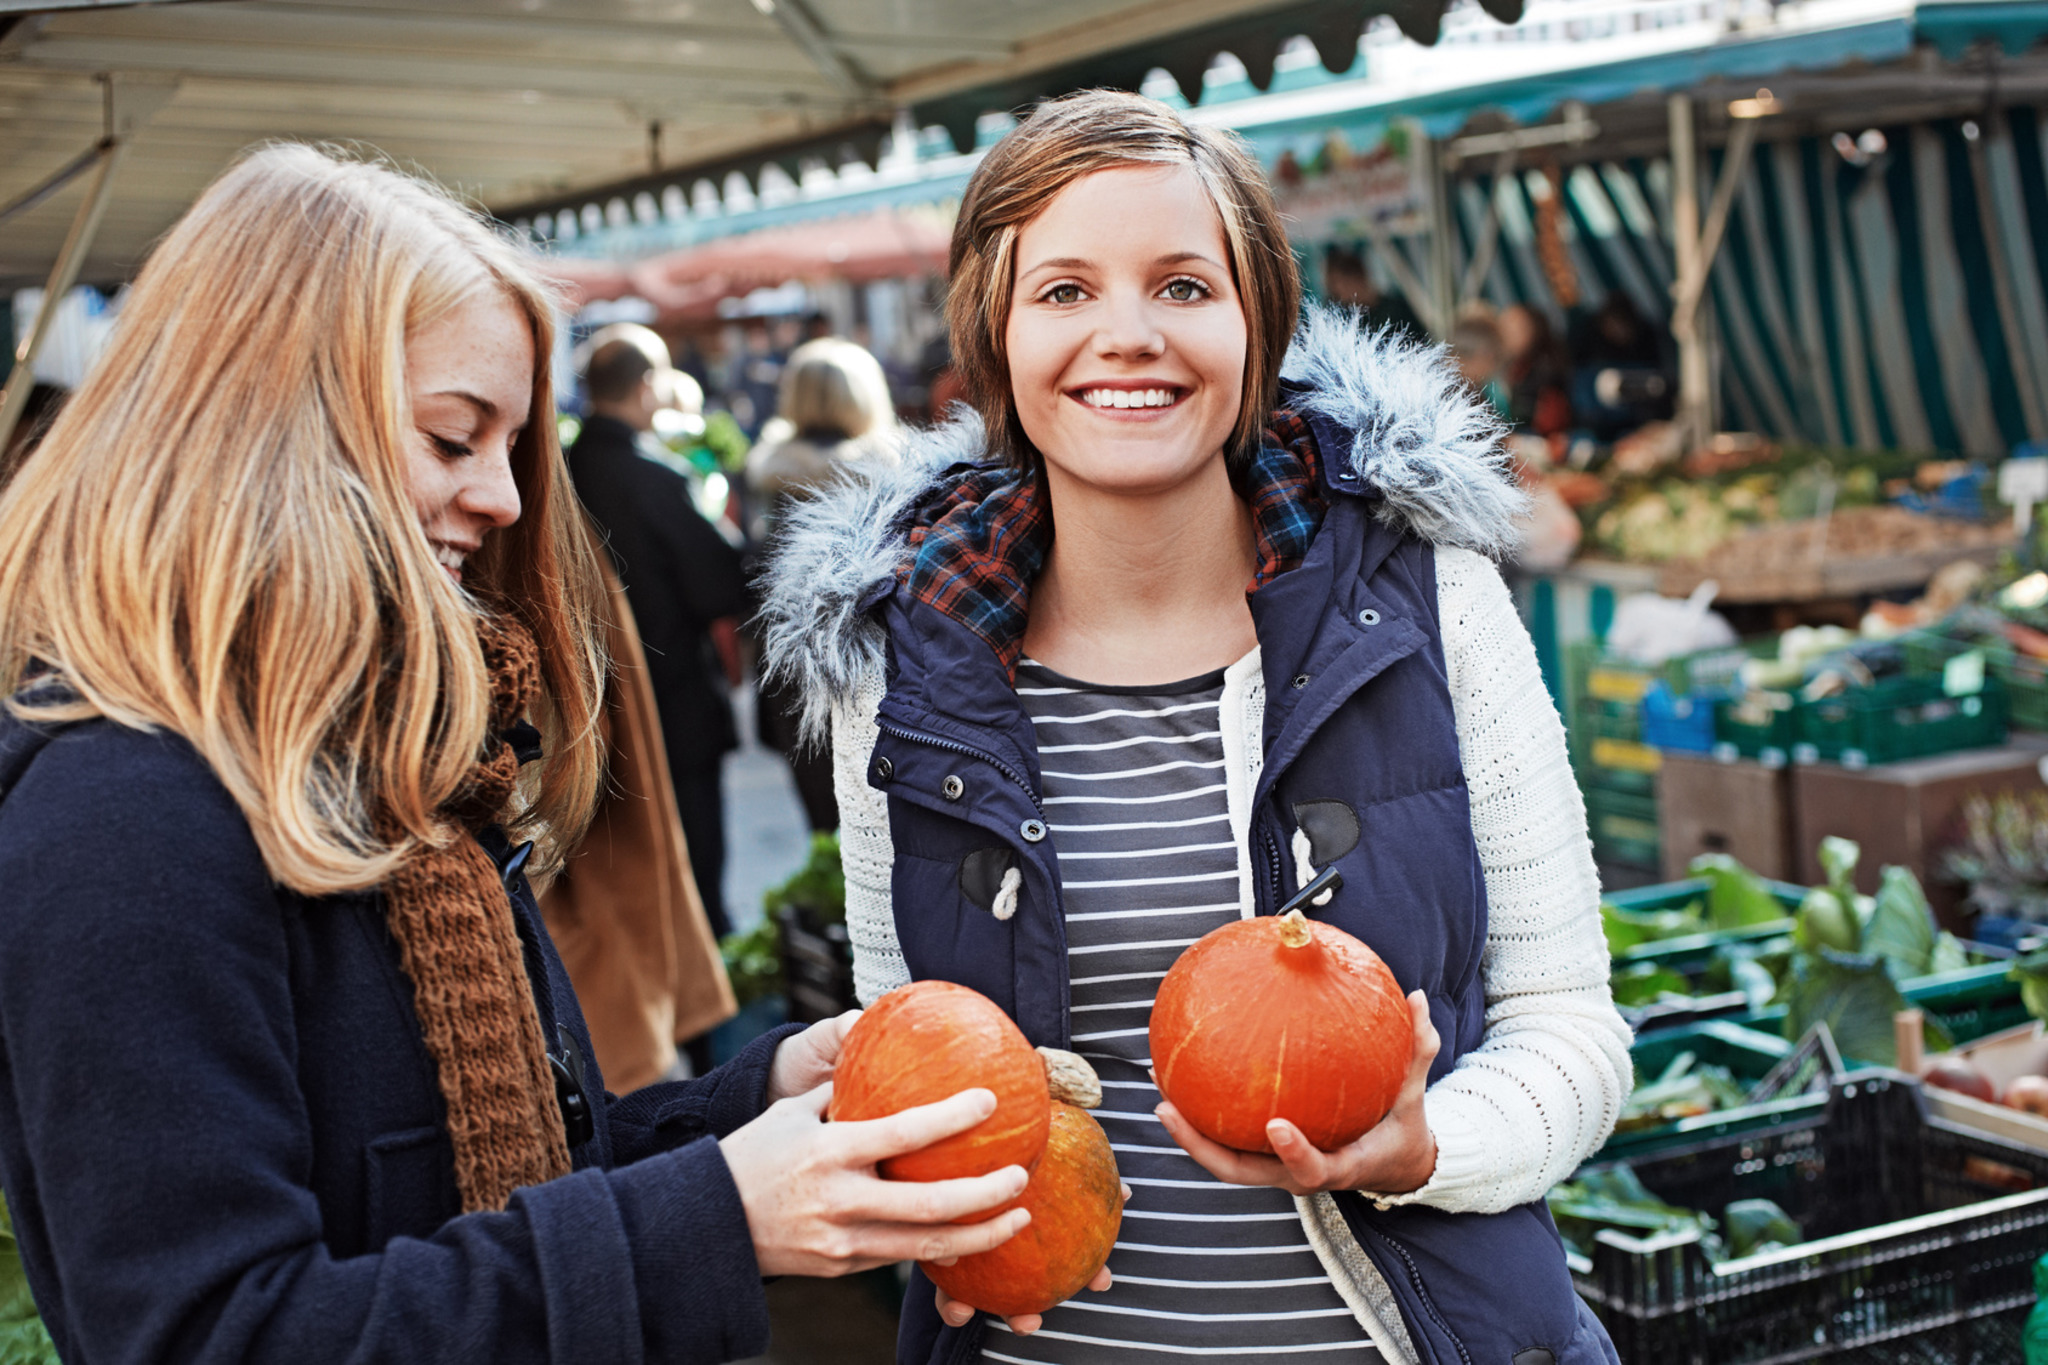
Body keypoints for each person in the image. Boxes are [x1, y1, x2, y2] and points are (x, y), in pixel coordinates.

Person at [0, 144, 1044, 1365]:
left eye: (509, 444)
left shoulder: (397, 768)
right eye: (453, 439)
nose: (501, 497)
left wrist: (751, 1104)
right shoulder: (127, 817)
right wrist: (710, 1217)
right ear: (261, 430)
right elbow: (213, 1333)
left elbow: (507, 1181)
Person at [761, 90, 1629, 1364]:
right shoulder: (904, 663)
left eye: (1181, 286)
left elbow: (1571, 1028)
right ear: (993, 336)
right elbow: (910, 1045)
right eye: (1063, 292)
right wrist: (926, 1216)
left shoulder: (1427, 604)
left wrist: (1427, 1144)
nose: (1126, 337)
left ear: (1255, 322)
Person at [569, 323, 745, 940]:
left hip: (586, 714)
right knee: (697, 886)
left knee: (623, 890)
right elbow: (720, 586)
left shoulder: (560, 474)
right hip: (674, 704)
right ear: (646, 388)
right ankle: (710, 1028)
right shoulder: (654, 476)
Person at [746, 336, 901, 832]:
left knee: (825, 827)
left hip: (798, 680)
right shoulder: (894, 476)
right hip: (887, 673)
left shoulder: (774, 482)